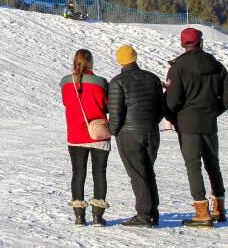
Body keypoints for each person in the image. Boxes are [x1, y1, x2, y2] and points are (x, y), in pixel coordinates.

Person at [166, 27, 228, 227]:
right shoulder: (217, 65)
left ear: (183, 44)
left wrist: (175, 118)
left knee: (193, 167)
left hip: (187, 123)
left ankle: (202, 211)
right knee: (213, 165)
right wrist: (213, 112)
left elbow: (172, 101)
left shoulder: (178, 67)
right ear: (200, 42)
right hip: (209, 122)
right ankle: (219, 209)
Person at [108, 45, 164, 228]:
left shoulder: (117, 82)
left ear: (120, 61)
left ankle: (144, 214)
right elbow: (161, 107)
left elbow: (116, 113)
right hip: (151, 131)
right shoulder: (152, 78)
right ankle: (152, 212)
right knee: (149, 171)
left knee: (138, 174)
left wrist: (112, 130)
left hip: (128, 134)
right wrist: (152, 122)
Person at [60, 48, 110, 226]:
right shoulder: (100, 82)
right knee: (99, 174)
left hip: (75, 134)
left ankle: (79, 216)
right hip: (98, 135)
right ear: (91, 62)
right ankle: (97, 215)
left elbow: (67, 103)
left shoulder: (66, 83)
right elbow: (107, 106)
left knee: (78, 173)